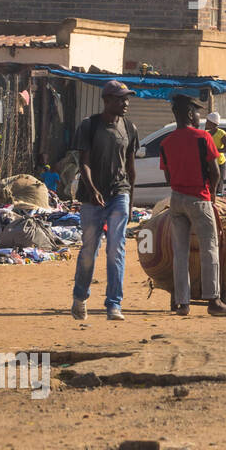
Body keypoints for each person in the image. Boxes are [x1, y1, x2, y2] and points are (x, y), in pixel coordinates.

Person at [159, 94, 226, 317]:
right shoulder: (203, 138)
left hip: (176, 200)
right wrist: (211, 195)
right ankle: (214, 301)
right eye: (196, 112)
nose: (198, 117)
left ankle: (183, 304)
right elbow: (214, 172)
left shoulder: (166, 142)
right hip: (200, 199)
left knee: (180, 252)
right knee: (209, 248)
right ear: (187, 114)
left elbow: (167, 177)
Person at [71, 80, 138, 321]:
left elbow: (131, 168)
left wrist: (130, 200)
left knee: (116, 250)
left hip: (119, 193)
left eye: (126, 98)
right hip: (91, 199)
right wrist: (92, 188)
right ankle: (80, 297)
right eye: (121, 99)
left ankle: (114, 304)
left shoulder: (129, 128)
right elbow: (84, 162)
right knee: (90, 250)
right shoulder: (89, 126)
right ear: (107, 101)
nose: (126, 103)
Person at [205, 111, 226, 189]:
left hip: (219, 163)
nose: (206, 123)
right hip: (208, 163)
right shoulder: (206, 133)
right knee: (209, 185)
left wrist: (213, 150)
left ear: (212, 123)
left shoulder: (221, 133)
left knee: (218, 186)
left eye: (207, 121)